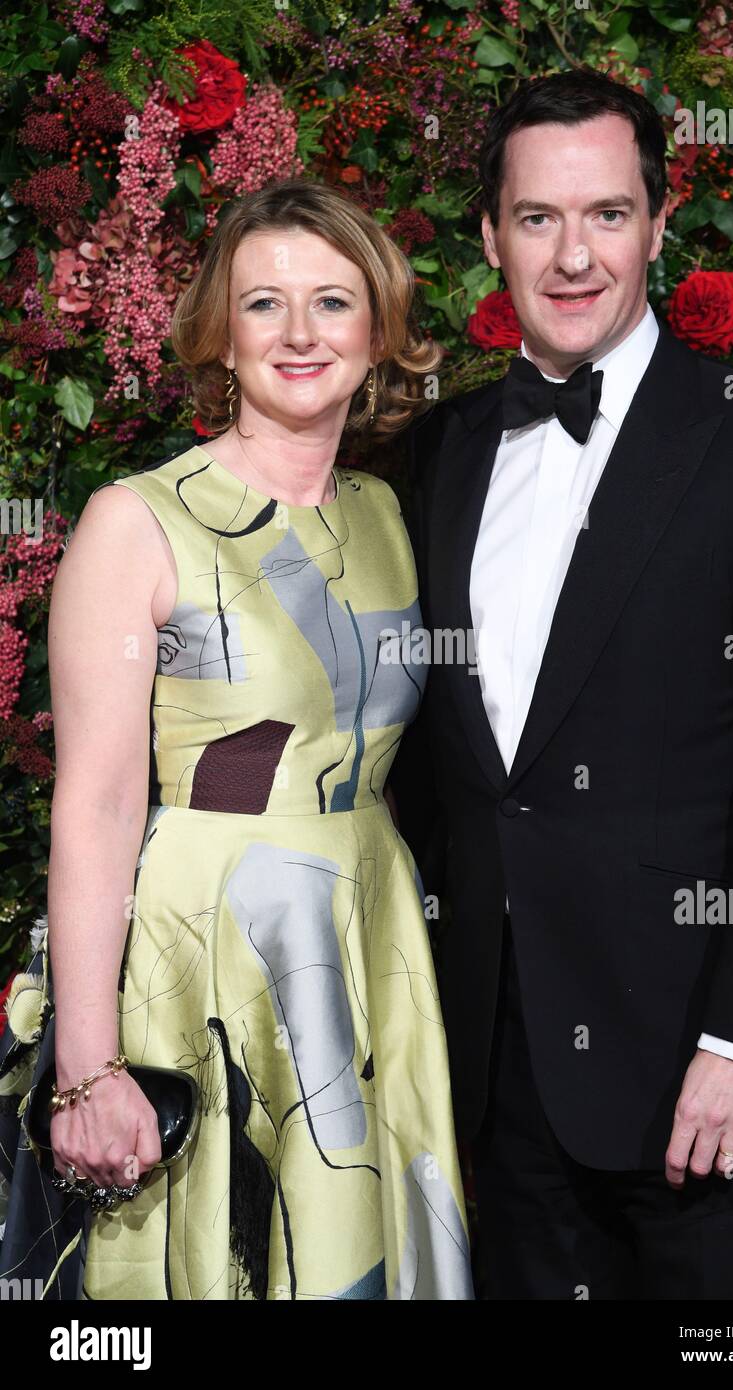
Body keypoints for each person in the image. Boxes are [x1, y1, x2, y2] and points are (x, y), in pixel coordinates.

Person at [390, 69, 733, 1299]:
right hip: (496, 1076)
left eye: (605, 214)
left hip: (699, 1074)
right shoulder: (434, 456)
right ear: (490, 236)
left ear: (658, 223)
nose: (570, 256)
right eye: (536, 219)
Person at [0, 177, 473, 1301]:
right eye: (264, 304)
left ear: (378, 331)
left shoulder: (383, 510)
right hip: (198, 946)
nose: (300, 334)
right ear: (219, 329)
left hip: (365, 931)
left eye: (332, 303)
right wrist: (87, 1069)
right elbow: (102, 803)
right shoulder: (139, 518)